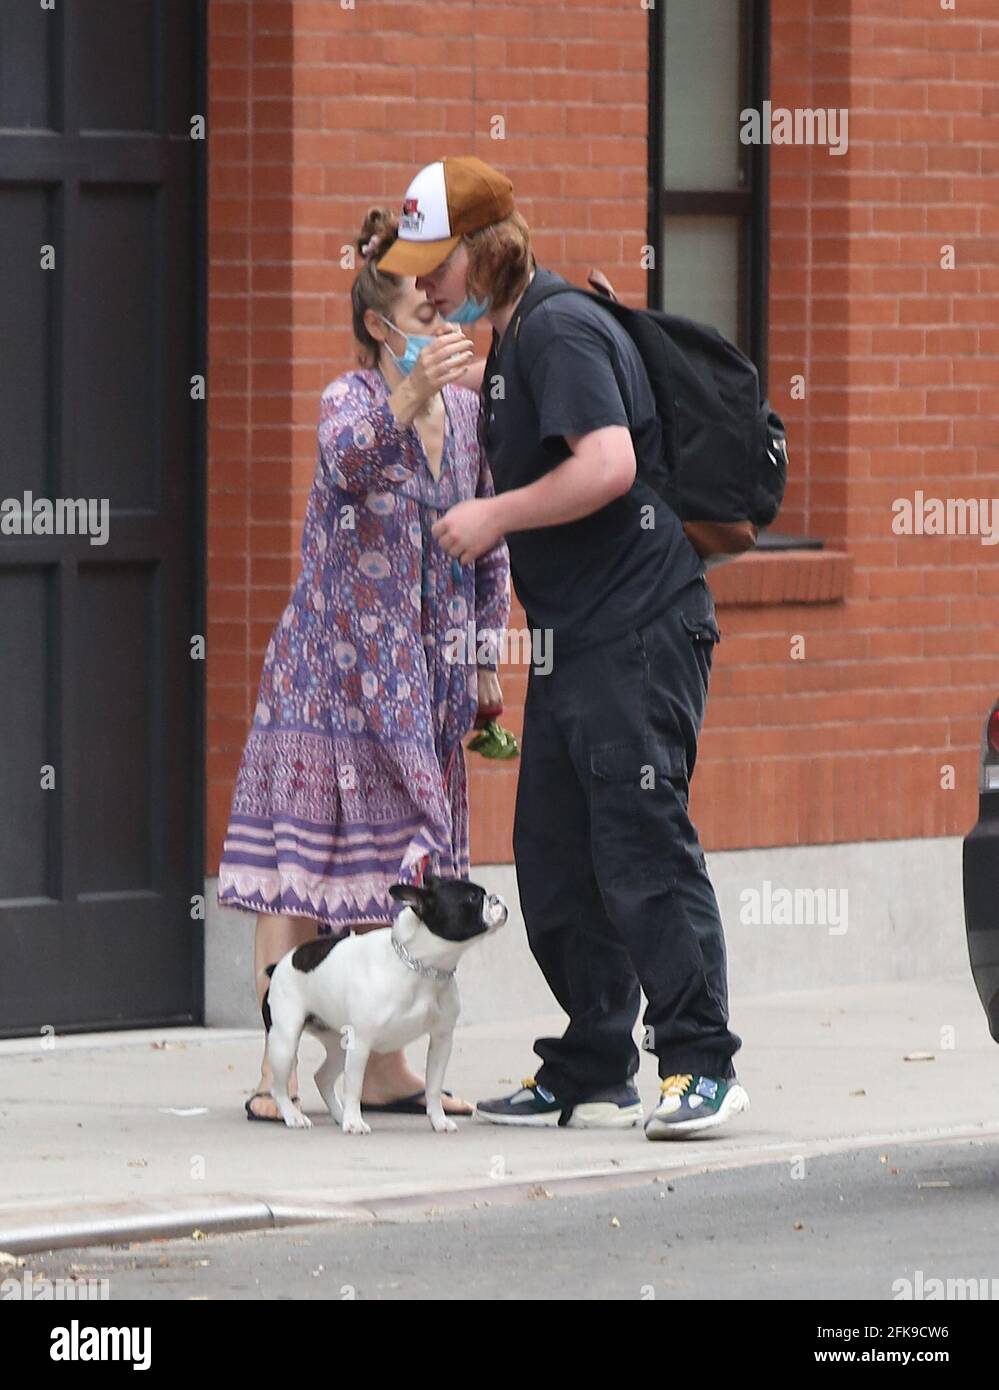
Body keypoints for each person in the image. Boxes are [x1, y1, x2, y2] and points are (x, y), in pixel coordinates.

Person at [377, 156, 749, 1138]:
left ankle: (702, 1064)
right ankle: (591, 1064)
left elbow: (611, 463)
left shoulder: (559, 331)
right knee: (551, 855)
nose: (422, 285)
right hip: (579, 639)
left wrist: (493, 513)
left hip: (639, 625)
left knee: (639, 844)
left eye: (435, 263)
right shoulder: (512, 341)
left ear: (486, 247)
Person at [218, 207, 510, 1121]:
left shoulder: (466, 417)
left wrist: (486, 654)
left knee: (402, 867)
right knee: (301, 874)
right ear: (380, 327)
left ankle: (384, 1067)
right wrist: (408, 393)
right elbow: (347, 462)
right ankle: (281, 1080)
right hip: (327, 686)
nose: (444, 328)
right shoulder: (350, 401)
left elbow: (489, 541)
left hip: (421, 685)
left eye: (445, 313)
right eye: (424, 318)